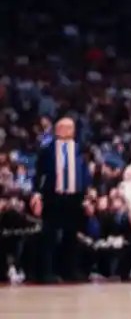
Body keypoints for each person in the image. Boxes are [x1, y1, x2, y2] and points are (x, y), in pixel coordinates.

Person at [31, 116, 92, 284]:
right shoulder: (47, 149)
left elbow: (85, 174)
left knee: (71, 236)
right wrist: (36, 194)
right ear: (57, 130)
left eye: (70, 127)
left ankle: (69, 271)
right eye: (64, 127)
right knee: (49, 236)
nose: (68, 131)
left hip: (74, 197)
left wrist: (88, 195)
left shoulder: (80, 149)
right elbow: (39, 174)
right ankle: (47, 272)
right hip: (53, 196)